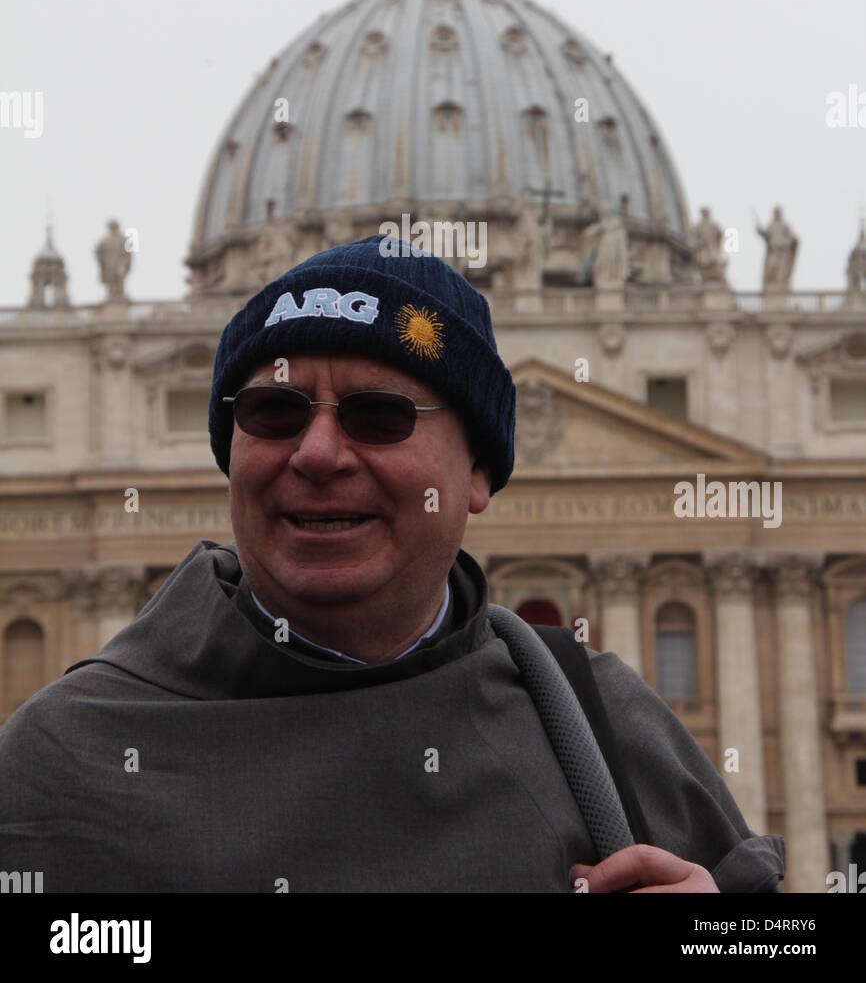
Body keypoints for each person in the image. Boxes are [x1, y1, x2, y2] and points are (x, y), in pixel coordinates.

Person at [0, 236, 785, 893]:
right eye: (274, 410)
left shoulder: (603, 723)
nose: (315, 453)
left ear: (478, 471)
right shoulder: (54, 761)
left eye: (380, 415)